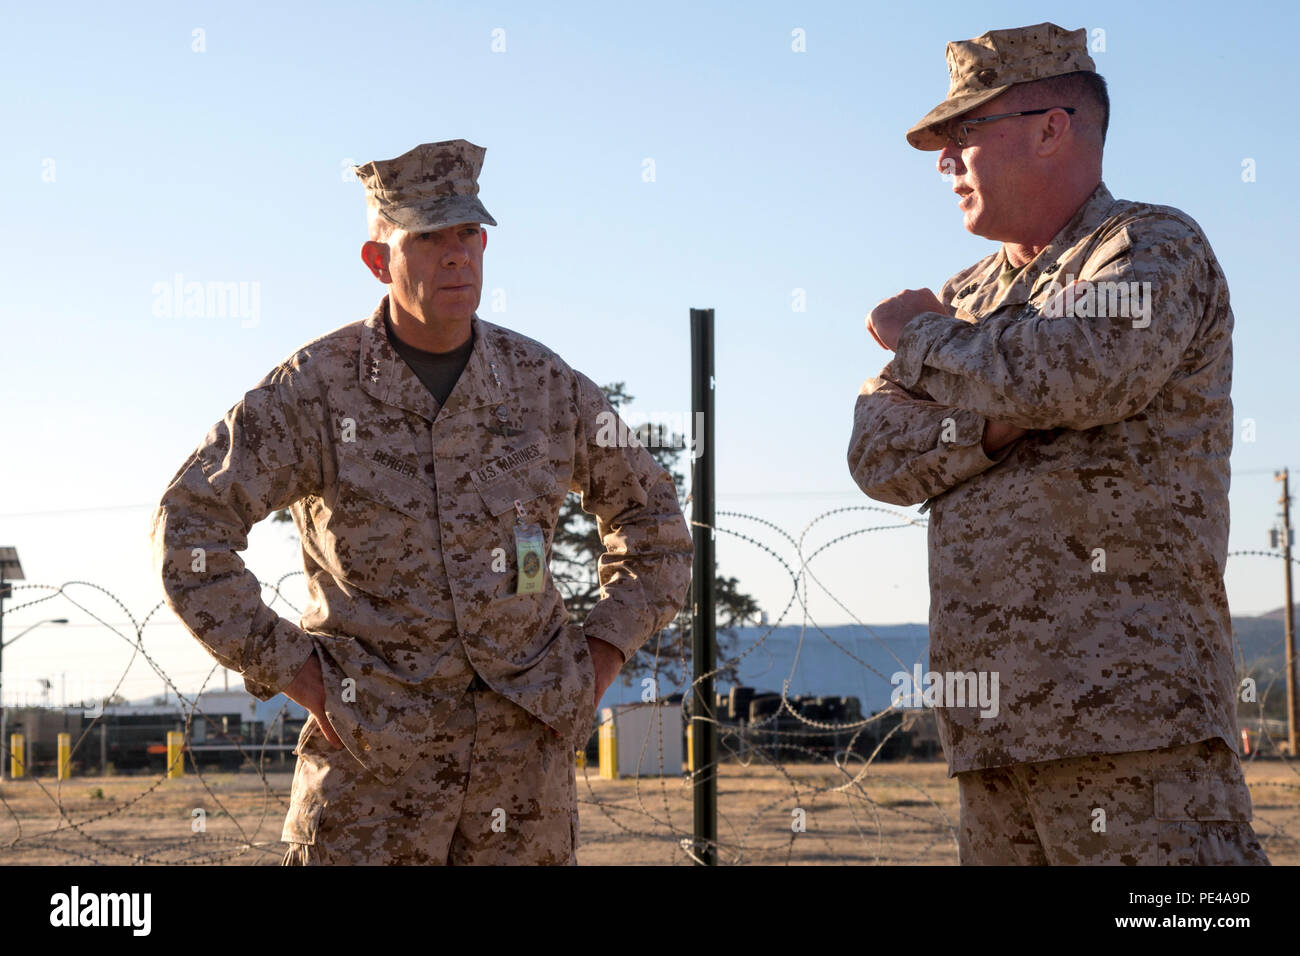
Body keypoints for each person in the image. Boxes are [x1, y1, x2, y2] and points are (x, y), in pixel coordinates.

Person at [151, 139, 693, 865]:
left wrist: (593, 662)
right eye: (429, 238)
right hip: (373, 780)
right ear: (380, 261)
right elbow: (190, 527)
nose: (455, 257)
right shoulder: (317, 391)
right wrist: (299, 674)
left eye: (468, 234)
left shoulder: (542, 385)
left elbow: (655, 526)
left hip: (522, 782)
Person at [847, 23, 1268, 865]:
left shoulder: (1151, 246)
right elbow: (878, 454)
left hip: (1137, 724)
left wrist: (924, 340)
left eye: (965, 132)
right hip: (993, 736)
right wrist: (1000, 416)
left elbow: (1078, 374)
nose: (945, 161)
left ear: (1052, 127)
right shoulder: (966, 296)